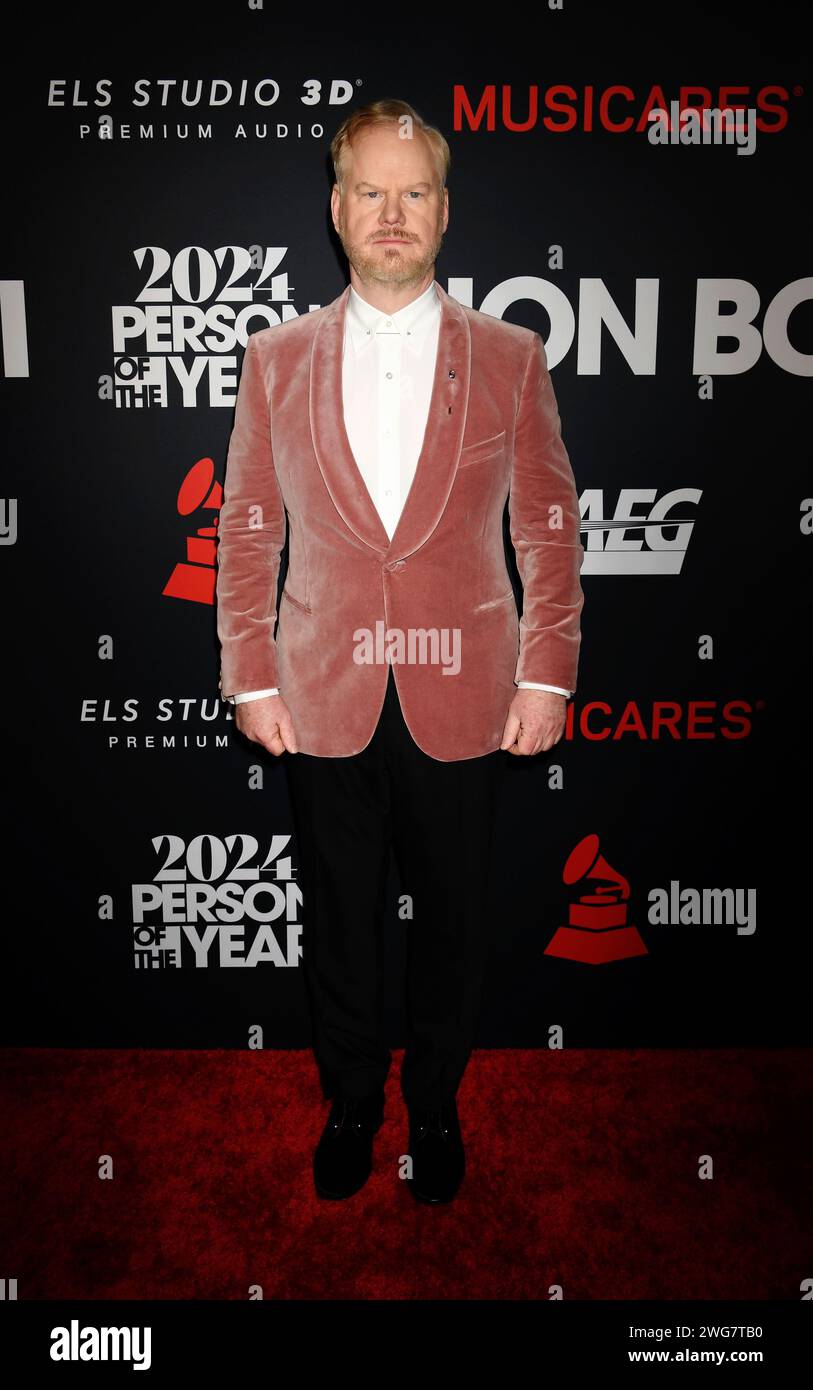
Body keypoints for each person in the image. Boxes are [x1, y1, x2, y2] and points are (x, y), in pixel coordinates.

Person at [216, 98, 585, 1204]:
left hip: (467, 691)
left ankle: (433, 1103)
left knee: (454, 929)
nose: (391, 213)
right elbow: (247, 530)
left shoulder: (512, 356)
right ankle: (352, 1103)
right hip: (321, 694)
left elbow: (548, 525)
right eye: (369, 191)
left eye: (412, 191)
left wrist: (547, 670)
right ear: (337, 210)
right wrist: (252, 669)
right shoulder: (273, 357)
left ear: (444, 210)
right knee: (338, 928)